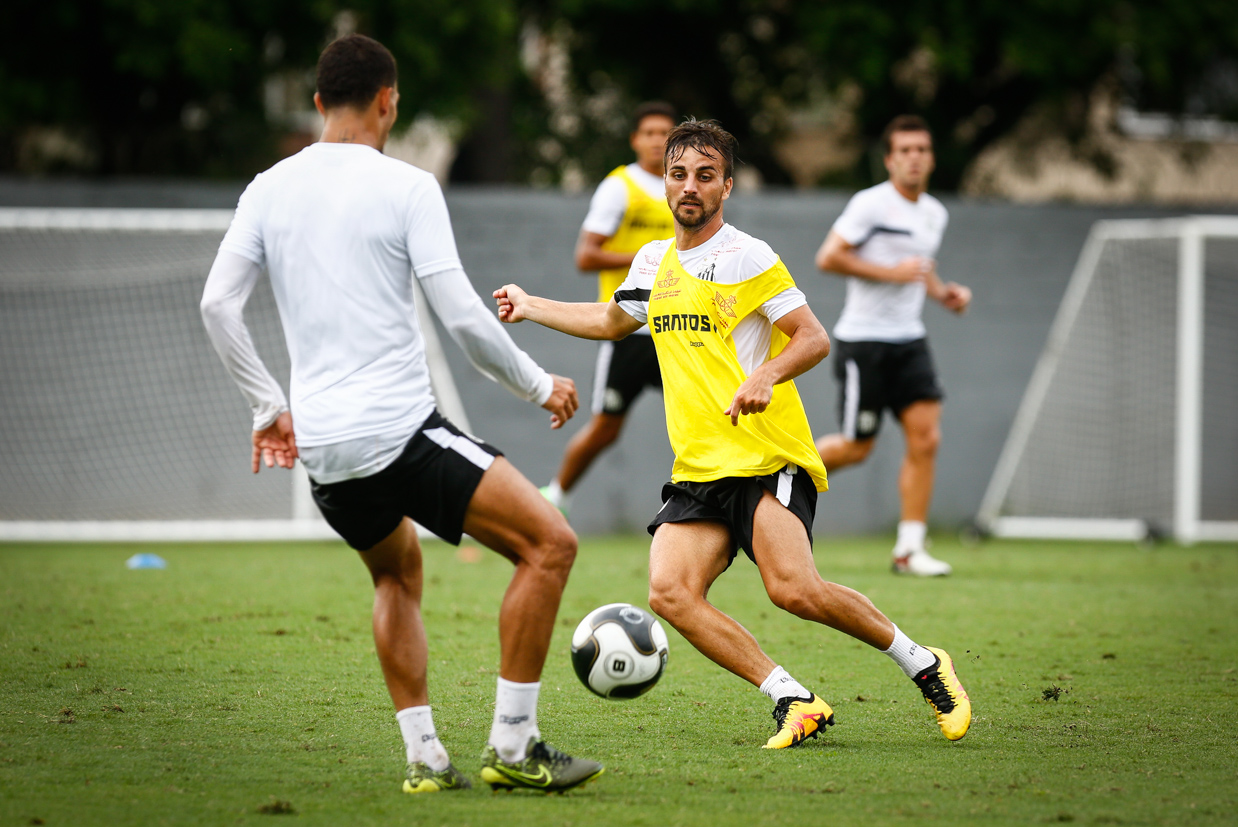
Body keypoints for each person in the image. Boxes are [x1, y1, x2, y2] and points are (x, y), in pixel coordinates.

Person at [200, 34, 602, 794]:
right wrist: (538, 383)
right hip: (400, 432)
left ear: (319, 102)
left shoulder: (266, 187)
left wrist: (267, 407)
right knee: (550, 544)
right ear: (389, 101)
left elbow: (217, 304)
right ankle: (514, 747)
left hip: (324, 449)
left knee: (396, 573)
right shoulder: (408, 186)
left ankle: (424, 758)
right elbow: (464, 318)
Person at [495, 119, 971, 749]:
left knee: (793, 590)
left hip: (764, 454)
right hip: (699, 467)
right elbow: (612, 319)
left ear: (725, 186)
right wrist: (532, 306)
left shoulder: (746, 254)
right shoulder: (653, 259)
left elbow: (814, 336)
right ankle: (792, 700)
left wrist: (766, 375)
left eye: (705, 175)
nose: (689, 186)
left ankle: (923, 662)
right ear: (664, 182)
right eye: (678, 174)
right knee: (669, 592)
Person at [813, 115, 972, 577]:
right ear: (889, 159)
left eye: (922, 149)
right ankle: (765, 482)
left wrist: (944, 294)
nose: (914, 157)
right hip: (864, 342)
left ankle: (909, 549)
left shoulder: (934, 213)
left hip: (910, 339)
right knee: (856, 448)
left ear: (931, 159)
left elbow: (918, 269)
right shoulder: (870, 205)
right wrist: (892, 274)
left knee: (926, 438)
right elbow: (829, 257)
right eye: (905, 150)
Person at [540, 102, 677, 515]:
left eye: (665, 133)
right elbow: (586, 256)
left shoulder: (686, 187)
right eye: (649, 132)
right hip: (629, 330)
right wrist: (647, 257)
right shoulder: (620, 187)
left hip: (678, 326)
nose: (657, 141)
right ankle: (554, 498)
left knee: (706, 416)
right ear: (635, 139)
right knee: (605, 428)